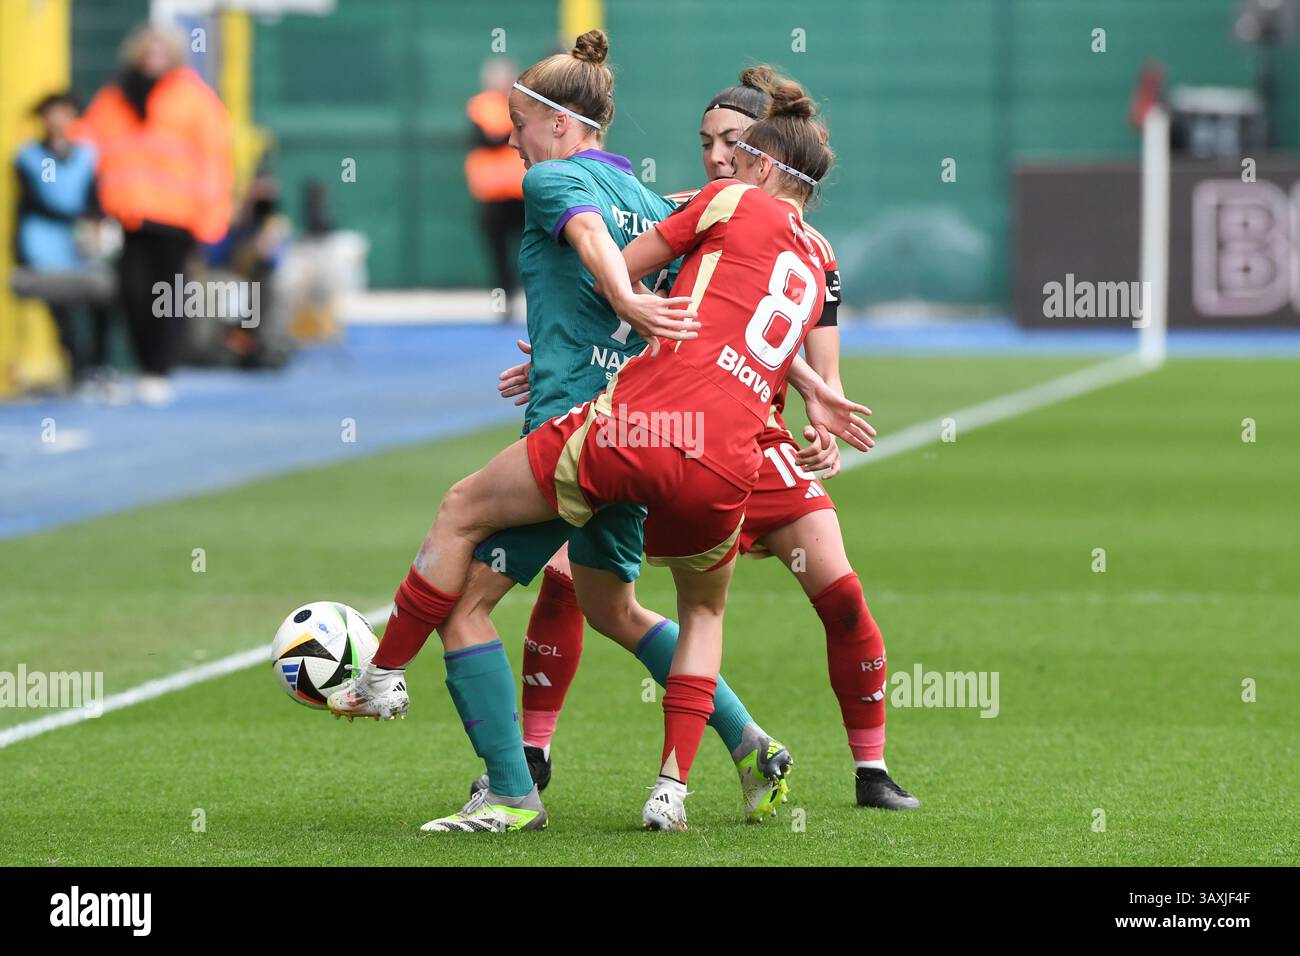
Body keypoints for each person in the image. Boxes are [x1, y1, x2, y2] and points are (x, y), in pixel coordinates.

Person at [333, 55, 873, 832]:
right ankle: (751, 743)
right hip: (663, 437)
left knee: (464, 589)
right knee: (612, 606)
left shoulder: (556, 180)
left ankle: (484, 767)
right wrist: (809, 382)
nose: (512, 143)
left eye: (517, 126)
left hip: (594, 428)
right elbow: (727, 296)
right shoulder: (653, 198)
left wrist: (612, 298)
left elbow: (591, 239)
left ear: (558, 121)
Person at [499, 68, 919, 811]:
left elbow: (803, 349)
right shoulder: (688, 209)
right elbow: (624, 293)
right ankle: (534, 754)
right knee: (572, 578)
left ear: (761, 152)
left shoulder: (808, 248)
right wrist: (562, 353)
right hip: (667, 425)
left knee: (840, 594)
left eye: (731, 143)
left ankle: (869, 770)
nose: (716, 156)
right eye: (705, 143)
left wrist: (820, 408)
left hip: (751, 440)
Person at [81, 25, 233, 405]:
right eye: (147, 50)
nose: (152, 58)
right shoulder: (114, 95)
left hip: (176, 216)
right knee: (132, 293)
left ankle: (158, 368)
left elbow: (214, 159)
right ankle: (143, 363)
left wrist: (210, 218)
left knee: (166, 295)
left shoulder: (193, 98)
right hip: (128, 214)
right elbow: (91, 147)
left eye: (161, 50)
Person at [12, 91, 114, 391]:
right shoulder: (29, 157)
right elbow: (34, 202)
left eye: (64, 112)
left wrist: (92, 226)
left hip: (78, 247)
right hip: (43, 247)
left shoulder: (86, 155)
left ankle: (98, 365)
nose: (57, 119)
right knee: (61, 307)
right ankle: (78, 367)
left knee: (103, 296)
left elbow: (95, 200)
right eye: (51, 113)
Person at [466, 58, 527, 320]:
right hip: (493, 197)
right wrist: (513, 133)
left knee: (533, 250)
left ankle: (537, 301)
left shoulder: (524, 104)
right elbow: (486, 141)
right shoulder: (481, 107)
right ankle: (505, 303)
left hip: (524, 194)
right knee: (499, 253)